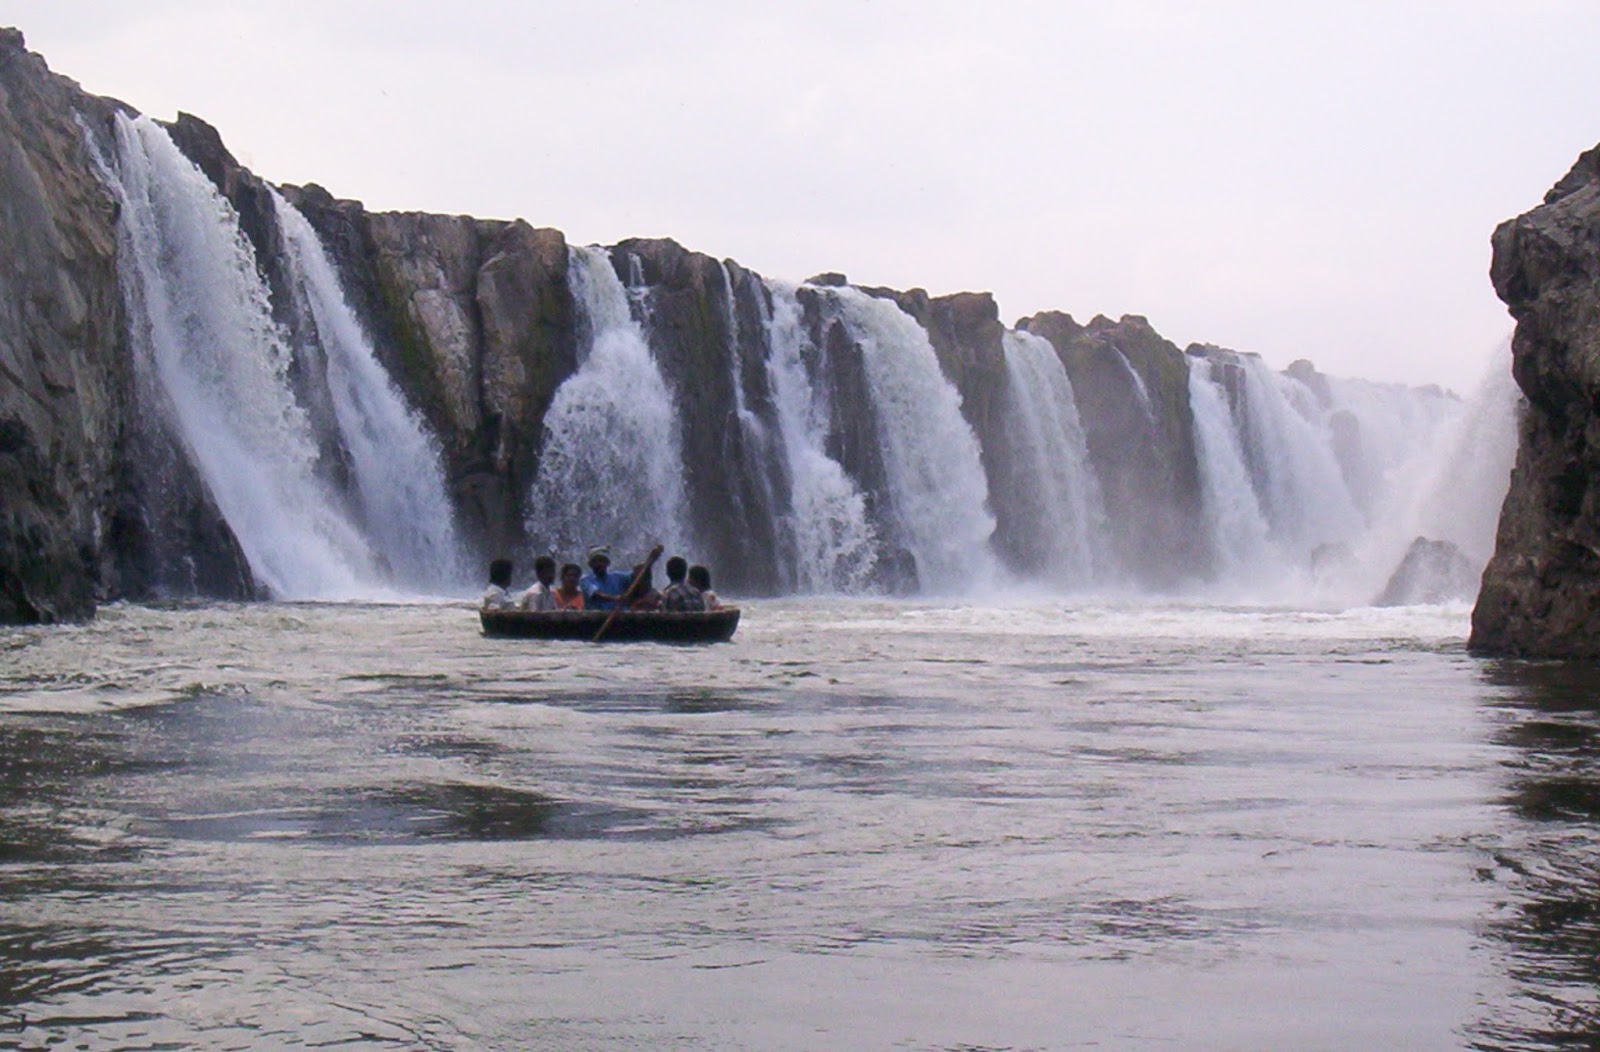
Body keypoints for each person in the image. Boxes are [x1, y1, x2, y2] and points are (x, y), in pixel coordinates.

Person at [578, 545, 637, 611]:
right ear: (590, 565)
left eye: (601, 561)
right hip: (596, 619)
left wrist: (643, 569)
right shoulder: (586, 580)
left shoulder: (619, 577)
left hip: (619, 617)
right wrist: (615, 598)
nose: (598, 564)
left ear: (608, 563)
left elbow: (637, 578)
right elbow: (596, 595)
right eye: (594, 561)